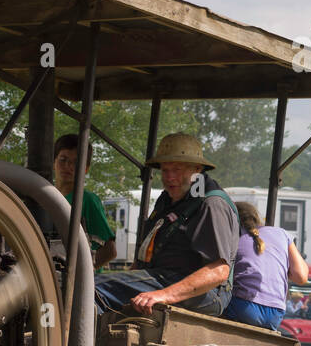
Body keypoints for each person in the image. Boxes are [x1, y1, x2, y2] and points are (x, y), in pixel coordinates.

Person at [93, 133, 239, 316]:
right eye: (165, 170)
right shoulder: (167, 199)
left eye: (177, 170)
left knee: (92, 287)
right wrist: (128, 278)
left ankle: (75, 343)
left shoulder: (211, 204)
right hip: (162, 278)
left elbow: (218, 271)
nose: (169, 177)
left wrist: (163, 295)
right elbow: (143, 259)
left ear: (197, 169)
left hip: (207, 294)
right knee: (88, 285)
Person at [223, 202, 310, 331]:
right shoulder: (282, 234)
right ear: (257, 217)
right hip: (275, 314)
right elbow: (301, 277)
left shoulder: (234, 238)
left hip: (243, 308)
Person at [53, 134, 116, 270]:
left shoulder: (87, 200)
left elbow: (109, 251)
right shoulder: (45, 198)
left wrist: (80, 275)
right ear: (54, 162)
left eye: (75, 163)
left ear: (85, 169)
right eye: (63, 160)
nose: (68, 166)